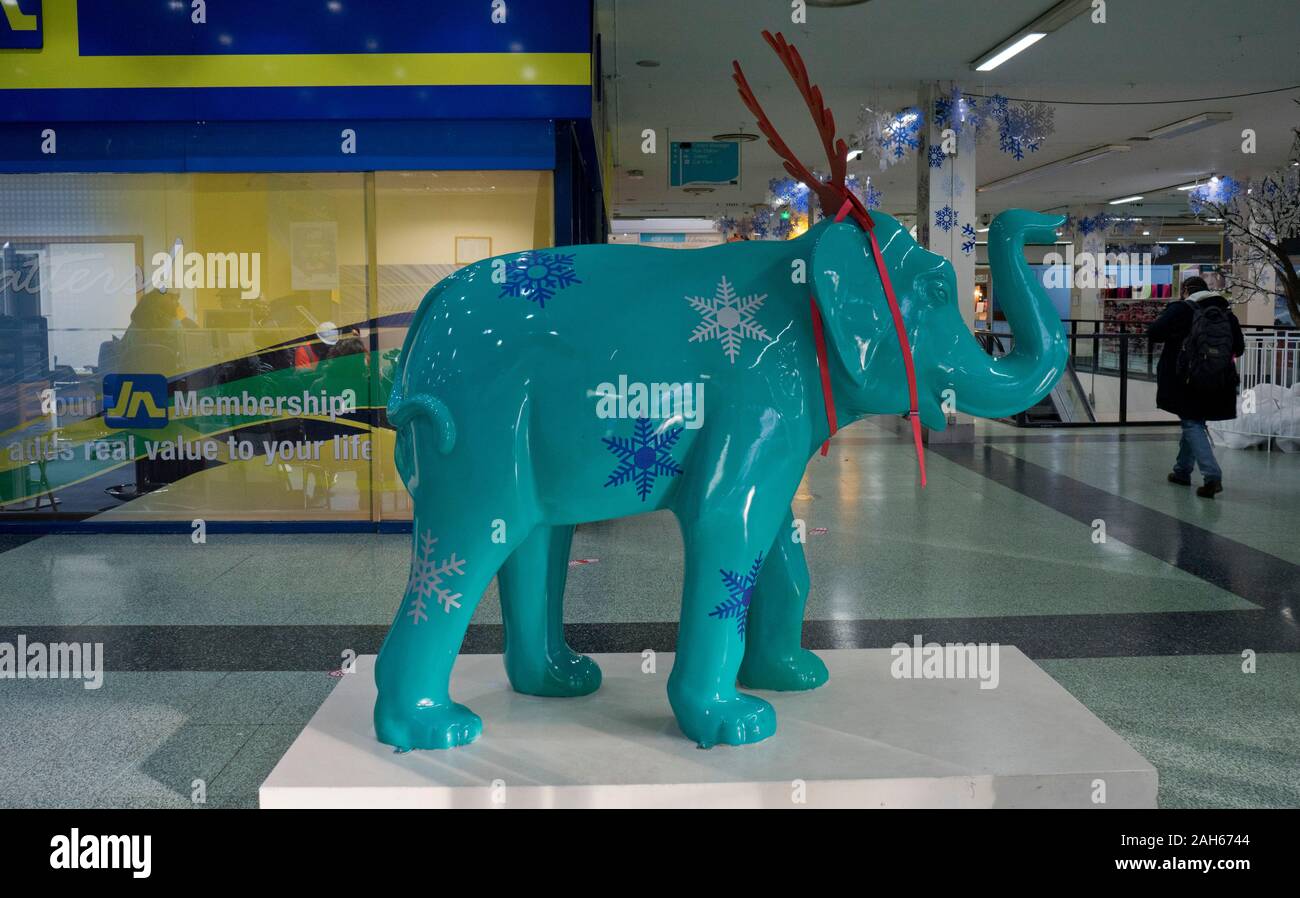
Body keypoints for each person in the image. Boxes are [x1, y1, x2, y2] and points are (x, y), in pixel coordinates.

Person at [1147, 275, 1245, 498]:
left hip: (1186, 378)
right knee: (1194, 421)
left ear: (1185, 291)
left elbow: (1153, 333)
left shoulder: (1181, 309)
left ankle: (1212, 476)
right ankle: (1182, 471)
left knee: (1191, 422)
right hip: (1219, 379)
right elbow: (1238, 347)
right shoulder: (1226, 313)